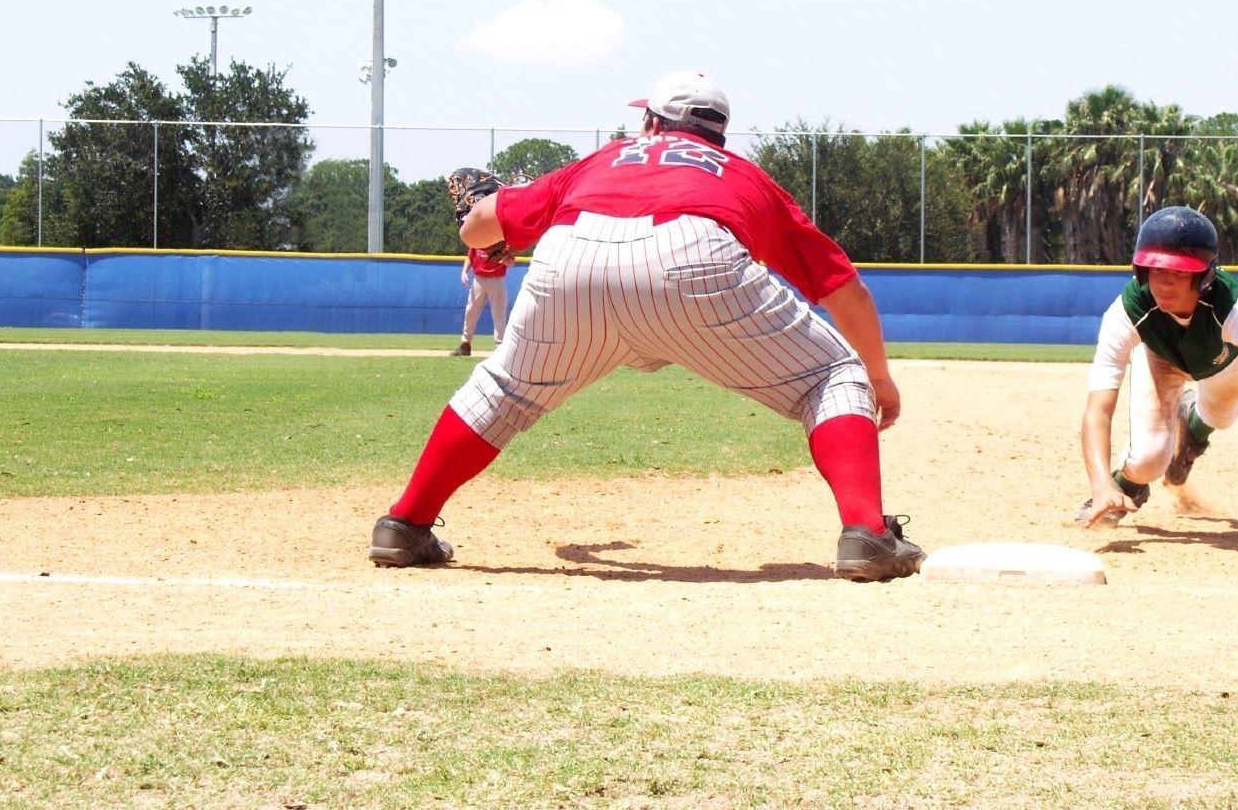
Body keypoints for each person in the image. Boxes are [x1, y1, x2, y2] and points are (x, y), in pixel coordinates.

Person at [369, 70, 926, 582]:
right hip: (692, 259)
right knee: (830, 377)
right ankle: (866, 535)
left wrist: (486, 209)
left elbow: (477, 233)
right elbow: (844, 289)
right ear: (717, 134)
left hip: (572, 260)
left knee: (504, 390)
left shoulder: (604, 159)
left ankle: (405, 523)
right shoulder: (742, 175)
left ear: (651, 123)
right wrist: (877, 378)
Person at [1075, 205, 1238, 528]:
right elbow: (1099, 409)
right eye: (1156, 270)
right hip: (1160, 358)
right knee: (1147, 459)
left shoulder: (1234, 306)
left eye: (1179, 272)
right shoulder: (1128, 310)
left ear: (1204, 275)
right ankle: (1123, 487)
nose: (1164, 283)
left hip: (1225, 362)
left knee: (1221, 416)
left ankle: (1191, 429)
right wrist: (1100, 483)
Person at [449, 243, 517, 357]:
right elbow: (470, 256)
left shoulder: (501, 240)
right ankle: (465, 344)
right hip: (479, 279)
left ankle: (500, 347)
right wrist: (464, 272)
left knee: (499, 314)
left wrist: (506, 261)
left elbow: (511, 262)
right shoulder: (478, 237)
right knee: (471, 312)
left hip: (496, 279)